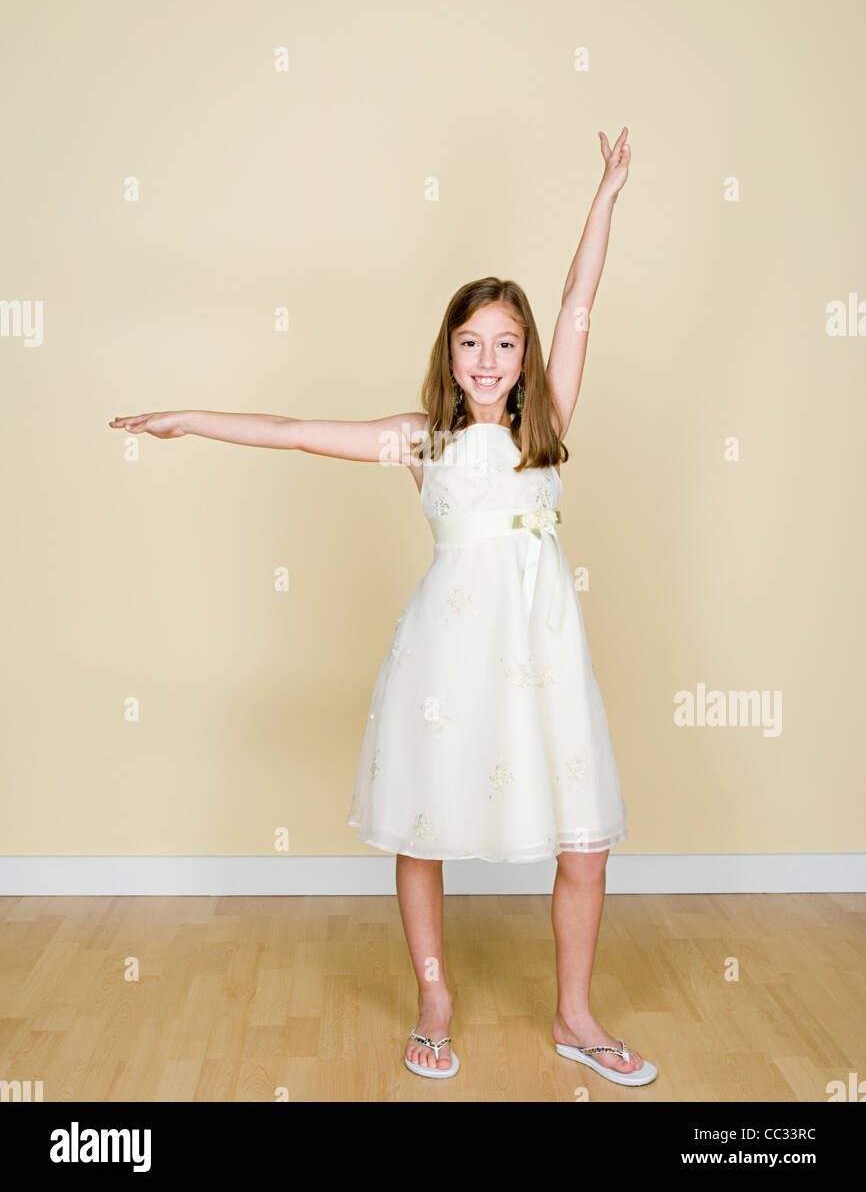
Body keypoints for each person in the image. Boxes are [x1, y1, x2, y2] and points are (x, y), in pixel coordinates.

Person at [110, 125, 656, 1088]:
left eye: (505, 345)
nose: (487, 362)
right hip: (447, 659)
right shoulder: (420, 440)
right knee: (422, 822)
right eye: (470, 344)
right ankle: (434, 998)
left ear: (526, 358)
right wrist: (187, 417)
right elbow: (288, 432)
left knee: (585, 838)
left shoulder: (550, 425)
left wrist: (606, 193)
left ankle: (576, 1015)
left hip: (546, 656)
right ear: (448, 355)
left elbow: (580, 299)